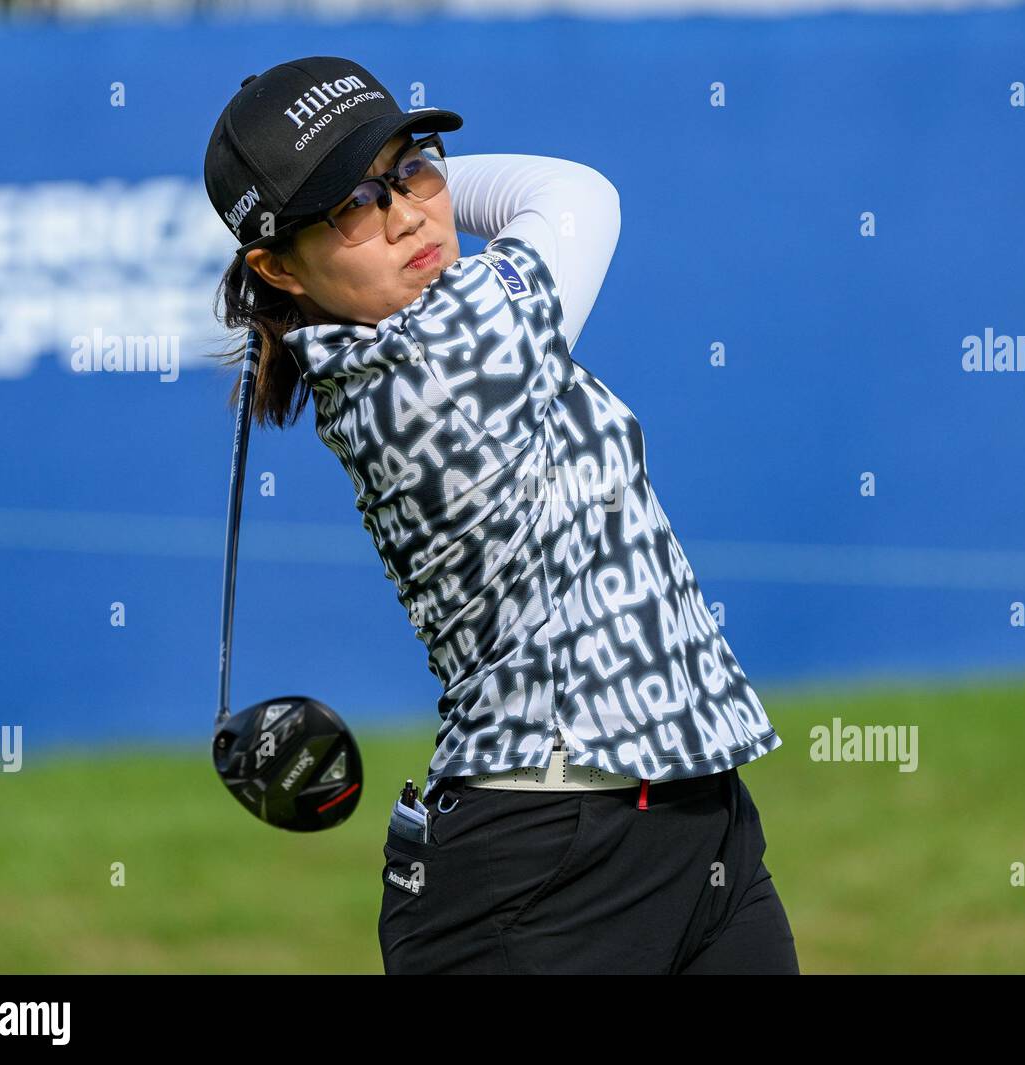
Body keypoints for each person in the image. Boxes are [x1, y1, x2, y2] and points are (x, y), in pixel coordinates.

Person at [203, 55, 799, 975]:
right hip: (543, 874)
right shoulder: (436, 355)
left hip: (696, 824)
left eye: (411, 166)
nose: (405, 214)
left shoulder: (411, 329)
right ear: (277, 266)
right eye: (351, 205)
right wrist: (431, 187)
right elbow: (576, 195)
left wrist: (392, 185)